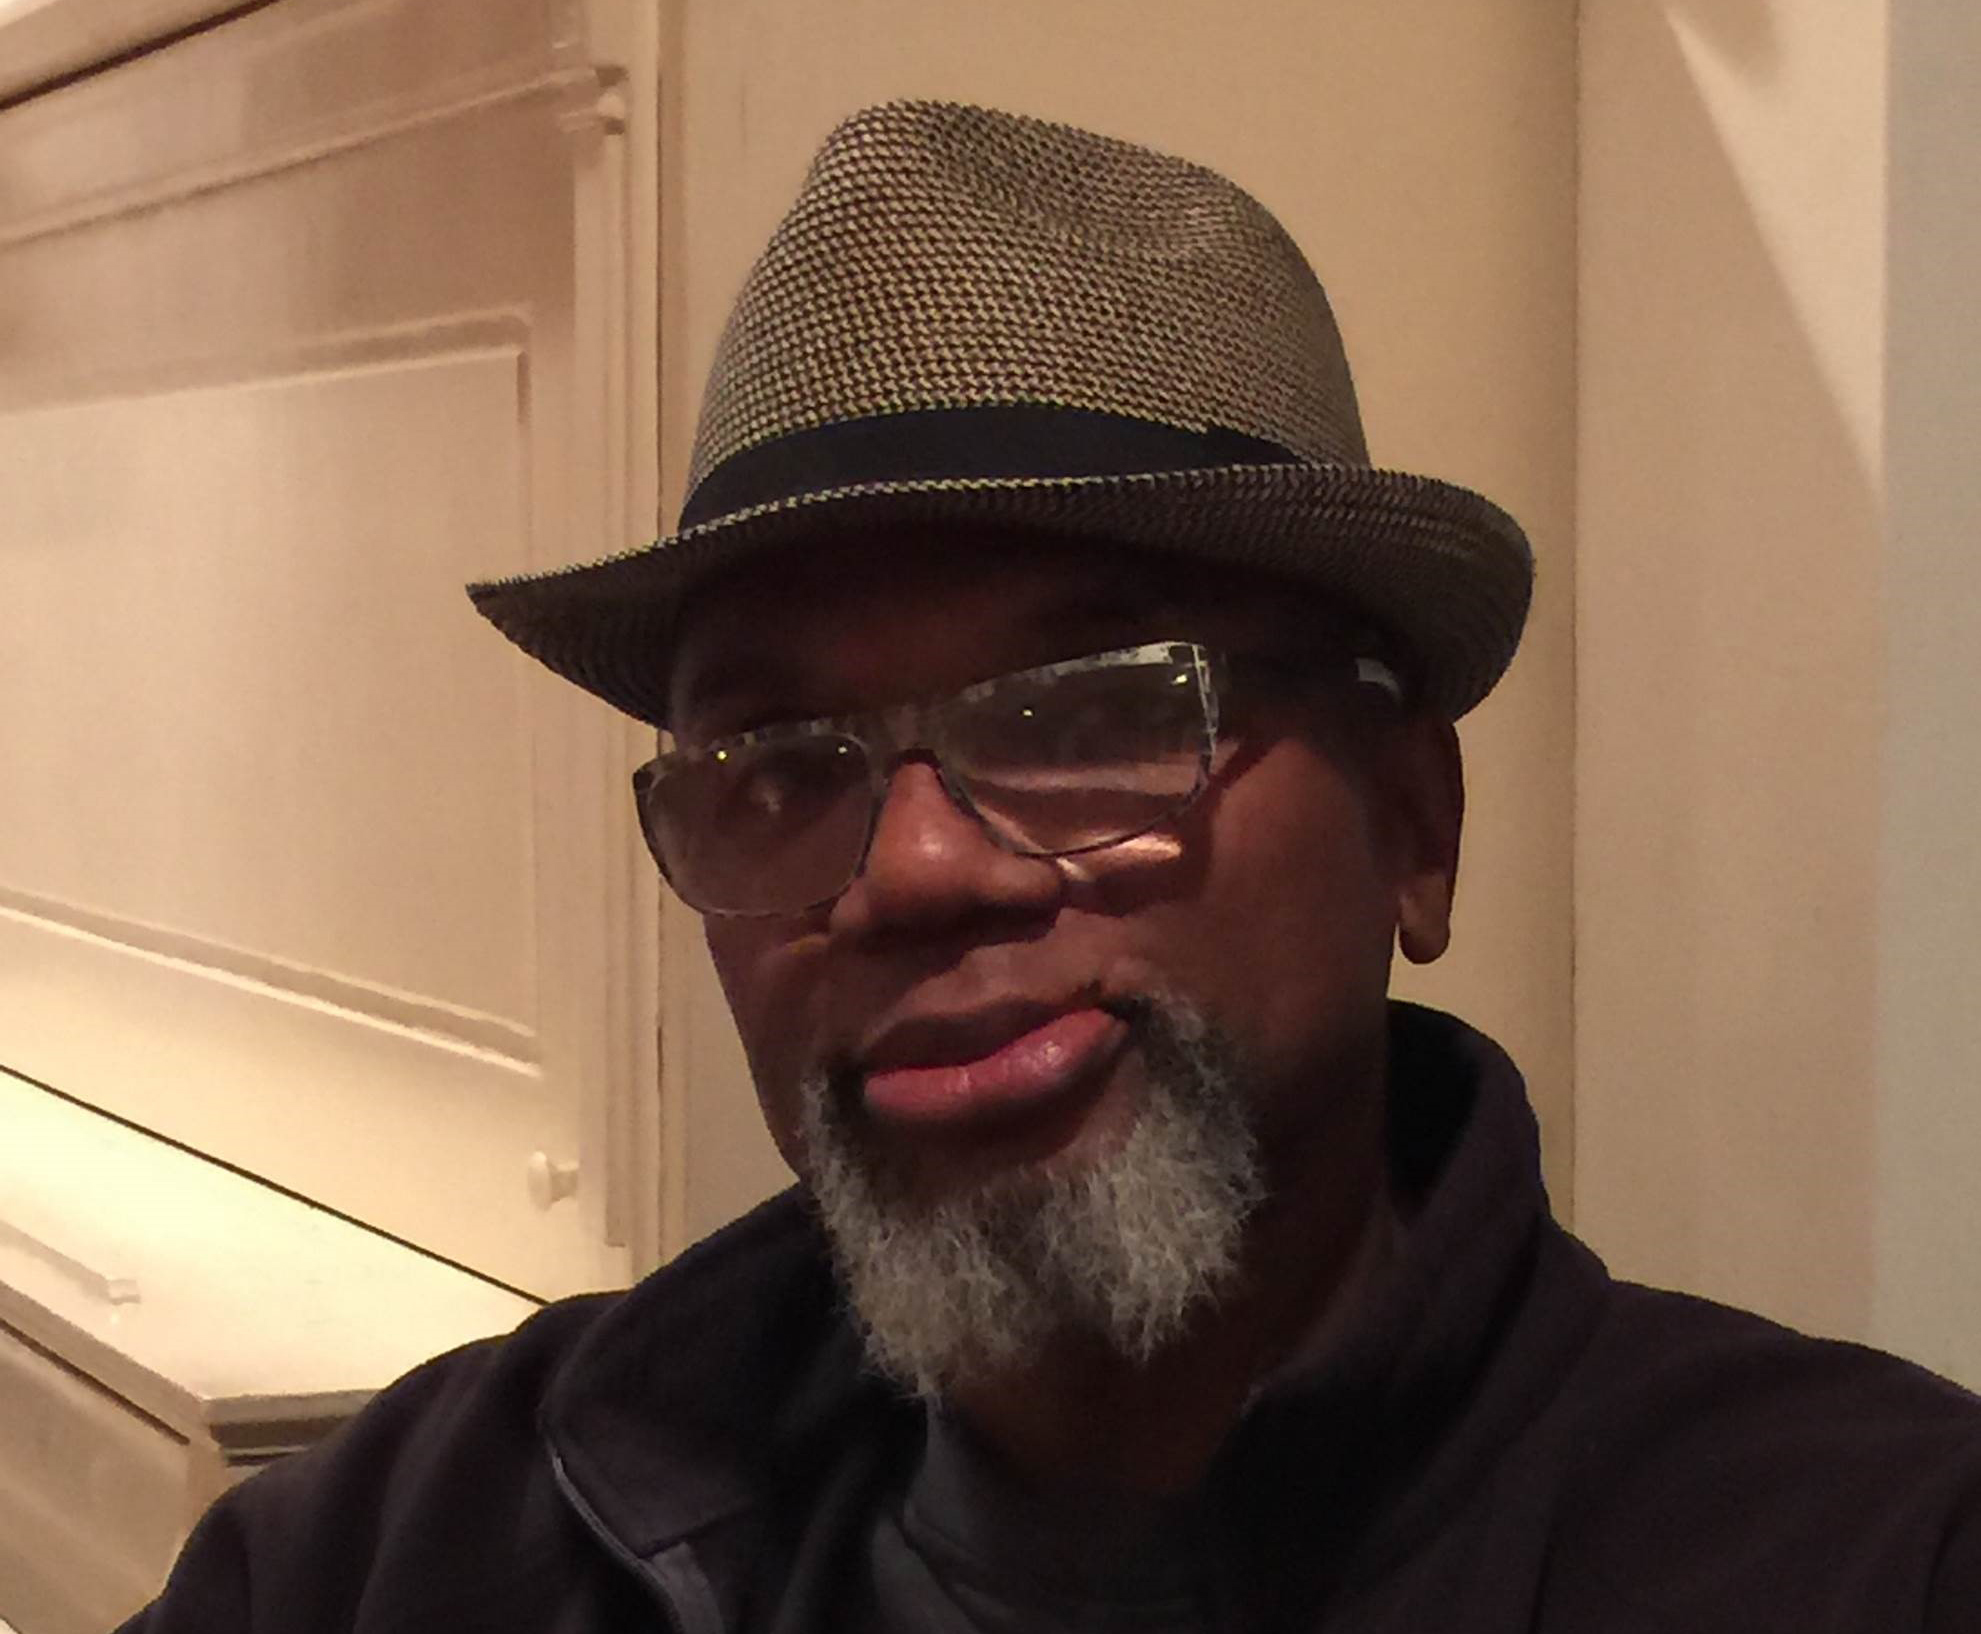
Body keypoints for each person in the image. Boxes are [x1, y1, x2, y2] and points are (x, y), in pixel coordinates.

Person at [124, 99, 1980, 1634]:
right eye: (779, 765)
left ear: (1413, 820)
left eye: (1094, 710)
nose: (919, 867)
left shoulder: (1859, 1557)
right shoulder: (411, 1539)